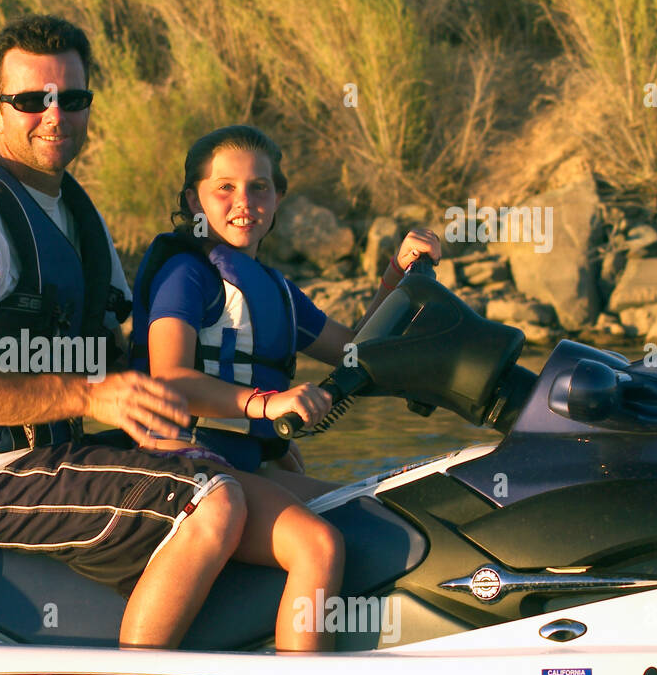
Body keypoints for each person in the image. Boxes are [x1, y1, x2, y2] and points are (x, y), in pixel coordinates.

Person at [0, 14, 338, 650]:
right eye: (32, 100)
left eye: (72, 98)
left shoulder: (73, 215)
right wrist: (92, 398)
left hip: (50, 458)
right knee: (211, 502)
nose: (54, 114)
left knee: (280, 494)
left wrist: (242, 426)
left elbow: (118, 362)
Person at [131, 125, 441, 501]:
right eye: (225, 187)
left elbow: (354, 349)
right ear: (195, 202)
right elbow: (170, 379)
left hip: (247, 462)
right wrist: (268, 404)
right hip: (185, 464)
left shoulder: (277, 291)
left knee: (365, 511)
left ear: (278, 197)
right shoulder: (184, 275)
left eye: (258, 187)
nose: (244, 201)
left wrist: (395, 274)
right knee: (322, 543)